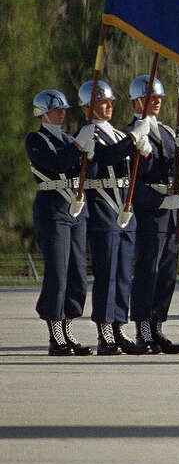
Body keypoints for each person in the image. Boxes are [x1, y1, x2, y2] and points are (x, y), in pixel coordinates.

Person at [79, 79, 152, 355]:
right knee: (107, 273)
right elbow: (105, 159)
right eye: (102, 103)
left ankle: (120, 327)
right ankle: (105, 331)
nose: (108, 106)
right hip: (102, 210)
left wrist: (142, 151)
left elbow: (128, 166)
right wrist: (133, 139)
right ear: (89, 107)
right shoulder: (88, 133)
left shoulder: (118, 133)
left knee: (123, 275)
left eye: (110, 102)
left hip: (124, 211)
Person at [125, 74, 179, 354]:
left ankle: (157, 326)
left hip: (170, 209)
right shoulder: (132, 132)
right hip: (149, 210)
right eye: (152, 98)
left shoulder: (165, 131)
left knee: (166, 272)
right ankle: (142, 329)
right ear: (137, 101)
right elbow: (133, 180)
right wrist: (160, 200)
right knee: (147, 271)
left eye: (160, 99)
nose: (157, 103)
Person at [27, 89, 91, 355]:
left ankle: (67, 326)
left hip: (75, 208)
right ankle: (56, 333)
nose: (61, 113)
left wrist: (90, 151)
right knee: (57, 272)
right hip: (52, 207)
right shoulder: (36, 140)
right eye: (56, 110)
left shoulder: (66, 138)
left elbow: (84, 169)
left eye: (63, 109)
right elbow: (57, 164)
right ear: (42, 114)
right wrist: (77, 146)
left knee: (77, 272)